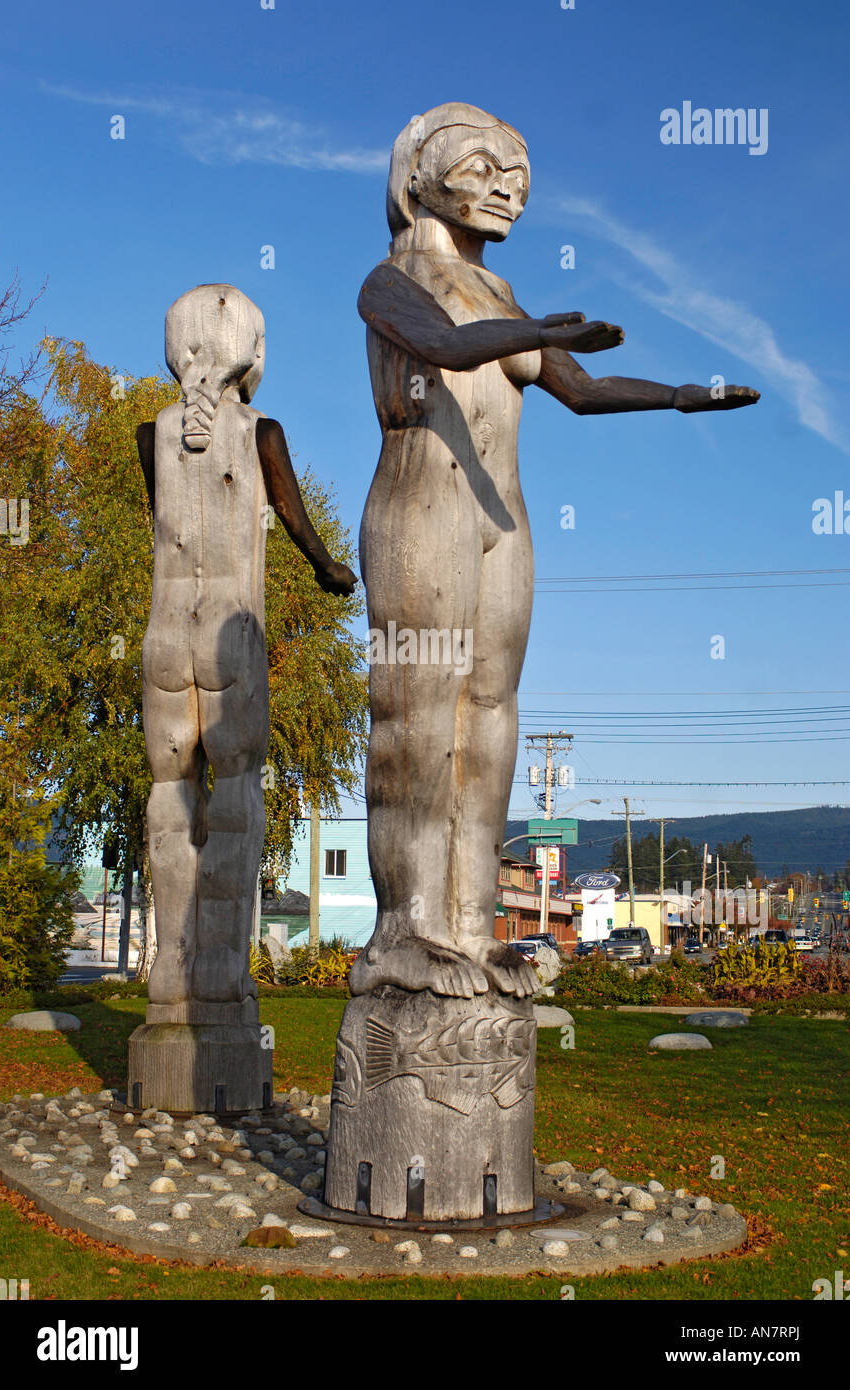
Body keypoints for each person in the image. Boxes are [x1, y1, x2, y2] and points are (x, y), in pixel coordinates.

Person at [351, 103, 758, 1002]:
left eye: (518, 178)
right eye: (481, 167)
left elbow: (581, 389)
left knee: (490, 712)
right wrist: (542, 335)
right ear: (417, 174)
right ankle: (401, 930)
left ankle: (467, 929)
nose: (505, 190)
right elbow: (443, 346)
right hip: (423, 504)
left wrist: (685, 395)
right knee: (418, 716)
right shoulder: (391, 280)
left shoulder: (505, 299)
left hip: (504, 513)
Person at [137, 283, 356, 1007]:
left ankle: (169, 968)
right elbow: (294, 522)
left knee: (168, 790)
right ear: (254, 353)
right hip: (231, 635)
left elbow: (160, 516)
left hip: (164, 634)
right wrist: (331, 568)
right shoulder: (261, 432)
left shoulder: (153, 435)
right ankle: (223, 971)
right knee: (234, 795)